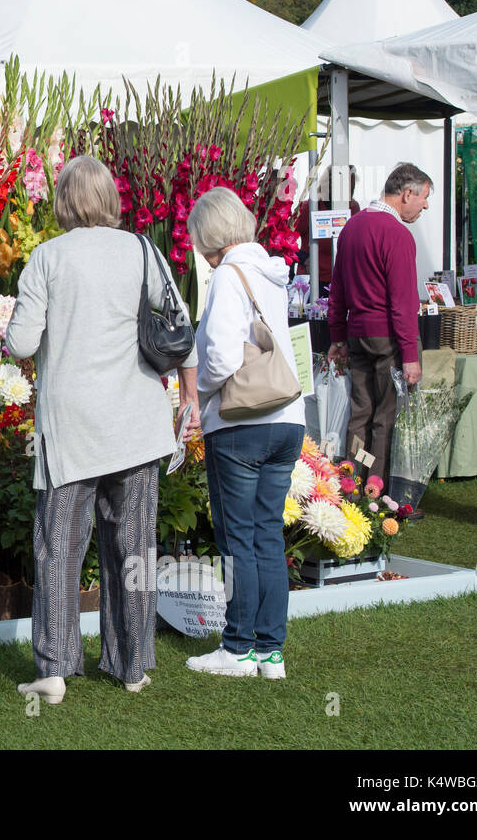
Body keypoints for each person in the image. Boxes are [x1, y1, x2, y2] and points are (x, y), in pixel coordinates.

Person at [5, 155, 198, 702]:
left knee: (58, 548)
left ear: (63, 200)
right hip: (136, 420)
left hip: (71, 427)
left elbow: (21, 343)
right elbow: (181, 321)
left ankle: (54, 670)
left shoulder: (46, 257)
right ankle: (132, 664)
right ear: (110, 199)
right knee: (133, 546)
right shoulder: (141, 250)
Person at [183, 188, 306, 680]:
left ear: (208, 238)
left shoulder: (227, 278)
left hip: (240, 425)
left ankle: (237, 648)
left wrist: (196, 397)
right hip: (287, 419)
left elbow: (220, 360)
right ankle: (270, 652)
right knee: (268, 536)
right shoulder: (272, 271)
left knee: (238, 540)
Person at [328, 163, 430, 482]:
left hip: (358, 334)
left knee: (360, 415)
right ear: (407, 193)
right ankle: (376, 487)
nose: (425, 205)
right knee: (383, 418)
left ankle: (353, 480)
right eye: (423, 197)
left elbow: (338, 290)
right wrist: (410, 355)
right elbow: (403, 303)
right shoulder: (397, 233)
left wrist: (338, 337)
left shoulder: (352, 227)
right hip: (386, 337)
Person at [296, 164, 360, 294]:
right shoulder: (312, 207)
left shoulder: (352, 208)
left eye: (352, 188)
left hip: (341, 279)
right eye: (347, 187)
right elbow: (287, 241)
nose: (349, 193)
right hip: (312, 281)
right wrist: (304, 258)